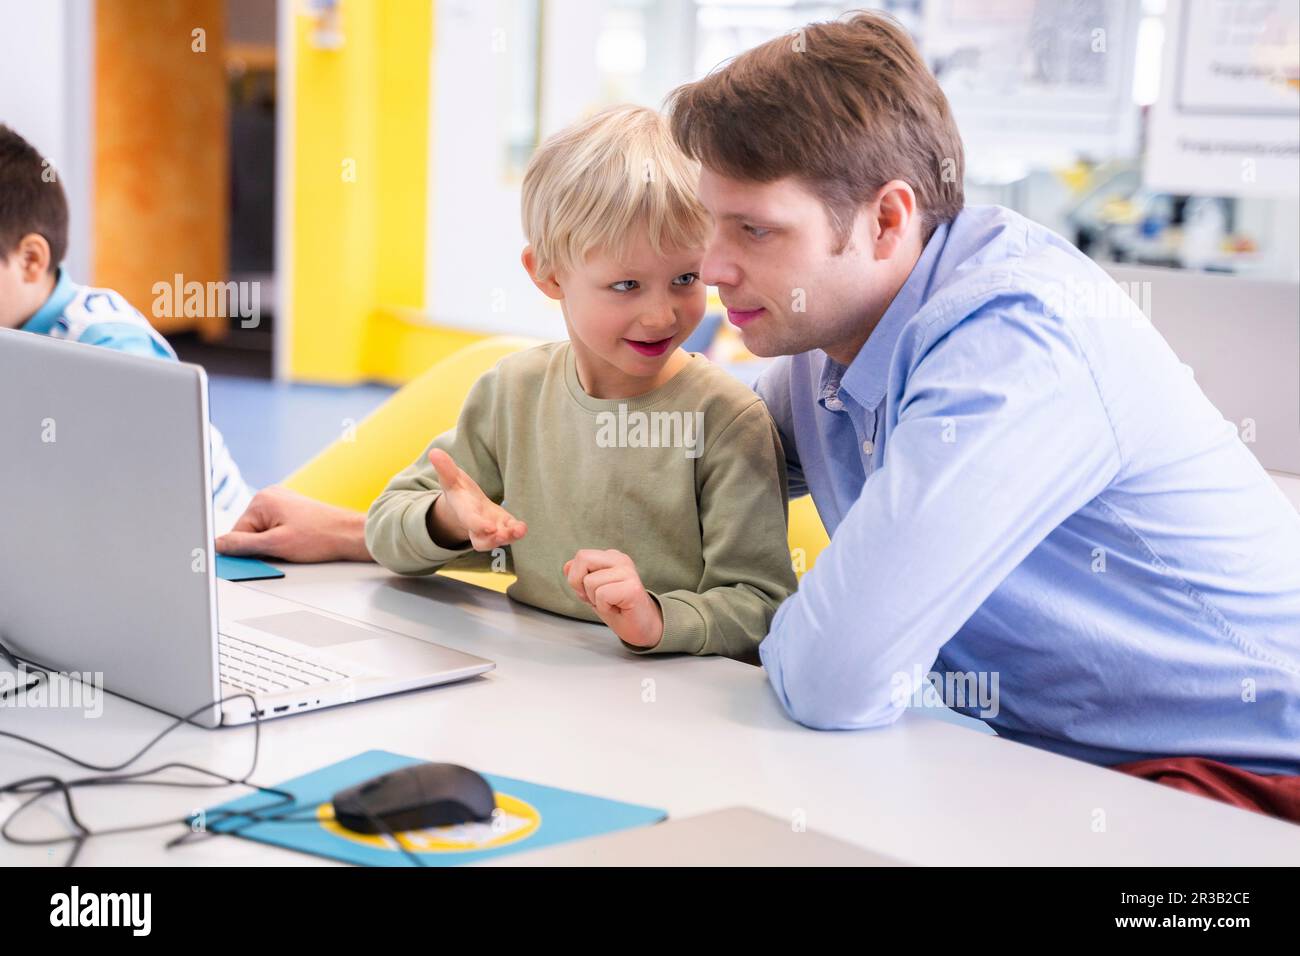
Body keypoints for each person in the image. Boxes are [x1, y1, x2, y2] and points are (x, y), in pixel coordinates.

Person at [0, 124, 255, 534]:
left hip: (221, 549)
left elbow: (160, 495)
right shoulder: (14, 330)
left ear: (31, 260)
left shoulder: (109, 346)